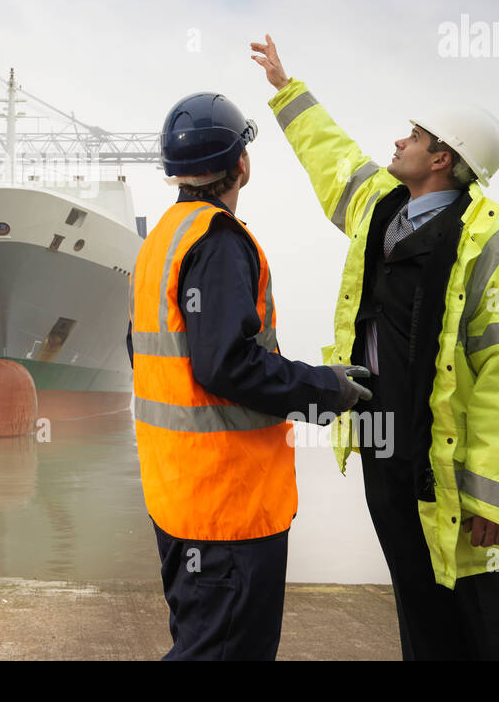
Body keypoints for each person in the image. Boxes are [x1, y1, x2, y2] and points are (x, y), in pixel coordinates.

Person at [251, 34, 499, 660]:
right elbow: (332, 157)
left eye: (413, 136)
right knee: (416, 598)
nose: (398, 142)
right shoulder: (378, 212)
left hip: (449, 461)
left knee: (483, 615)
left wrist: (496, 495)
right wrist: (288, 91)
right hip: (381, 442)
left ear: (443, 158)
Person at [127, 91, 372, 661]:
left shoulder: (158, 242)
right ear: (242, 164)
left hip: (178, 494)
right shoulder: (216, 242)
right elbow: (225, 364)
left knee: (201, 643)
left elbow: (148, 356)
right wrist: (324, 389)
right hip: (227, 507)